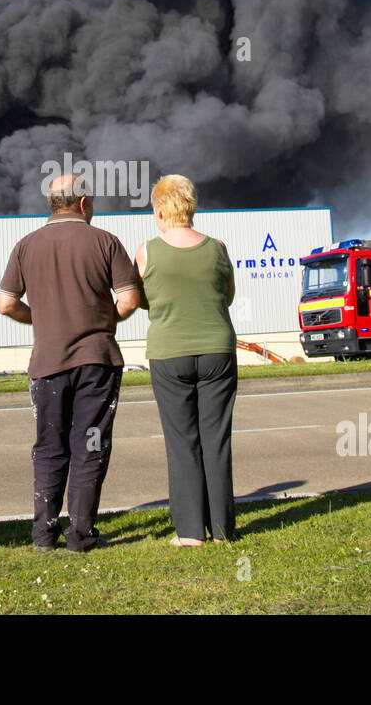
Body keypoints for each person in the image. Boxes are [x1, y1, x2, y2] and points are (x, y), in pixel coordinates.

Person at [0, 174, 140, 552]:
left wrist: (40, 319)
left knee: (49, 446)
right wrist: (102, 319)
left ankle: (43, 535)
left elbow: (6, 303)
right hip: (97, 361)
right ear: (81, 204)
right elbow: (128, 300)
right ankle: (80, 535)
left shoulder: (26, 246)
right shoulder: (105, 242)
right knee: (89, 443)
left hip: (47, 364)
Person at [134, 175, 239, 546]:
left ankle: (190, 533)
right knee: (217, 439)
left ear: (161, 211)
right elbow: (226, 297)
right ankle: (223, 530)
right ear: (191, 208)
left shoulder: (146, 252)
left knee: (182, 442)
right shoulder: (218, 248)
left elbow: (144, 300)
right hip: (217, 350)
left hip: (168, 352)